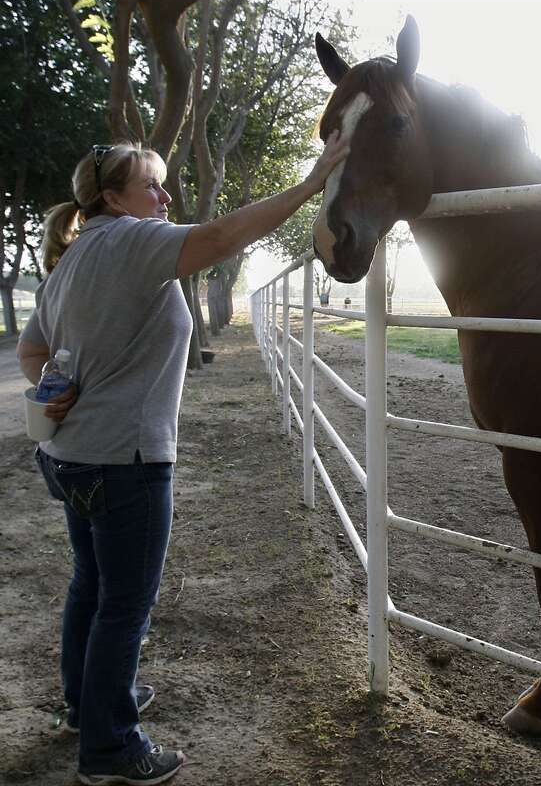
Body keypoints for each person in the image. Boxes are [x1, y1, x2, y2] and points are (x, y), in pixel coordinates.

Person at [18, 132, 348, 785]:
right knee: (124, 604)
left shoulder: (73, 257)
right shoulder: (131, 240)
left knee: (92, 585)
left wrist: (54, 390)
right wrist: (312, 184)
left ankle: (87, 707)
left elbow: (33, 353)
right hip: (125, 460)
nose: (166, 196)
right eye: (152, 185)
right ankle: (111, 749)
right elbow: (222, 236)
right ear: (114, 198)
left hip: (69, 456)